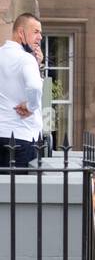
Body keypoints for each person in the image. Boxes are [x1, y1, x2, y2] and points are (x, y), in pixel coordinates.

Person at [0, 13, 44, 169]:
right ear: (20, 32)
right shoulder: (26, 59)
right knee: (18, 192)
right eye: (36, 32)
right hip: (21, 137)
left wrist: (36, 66)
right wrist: (31, 107)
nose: (40, 37)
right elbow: (34, 87)